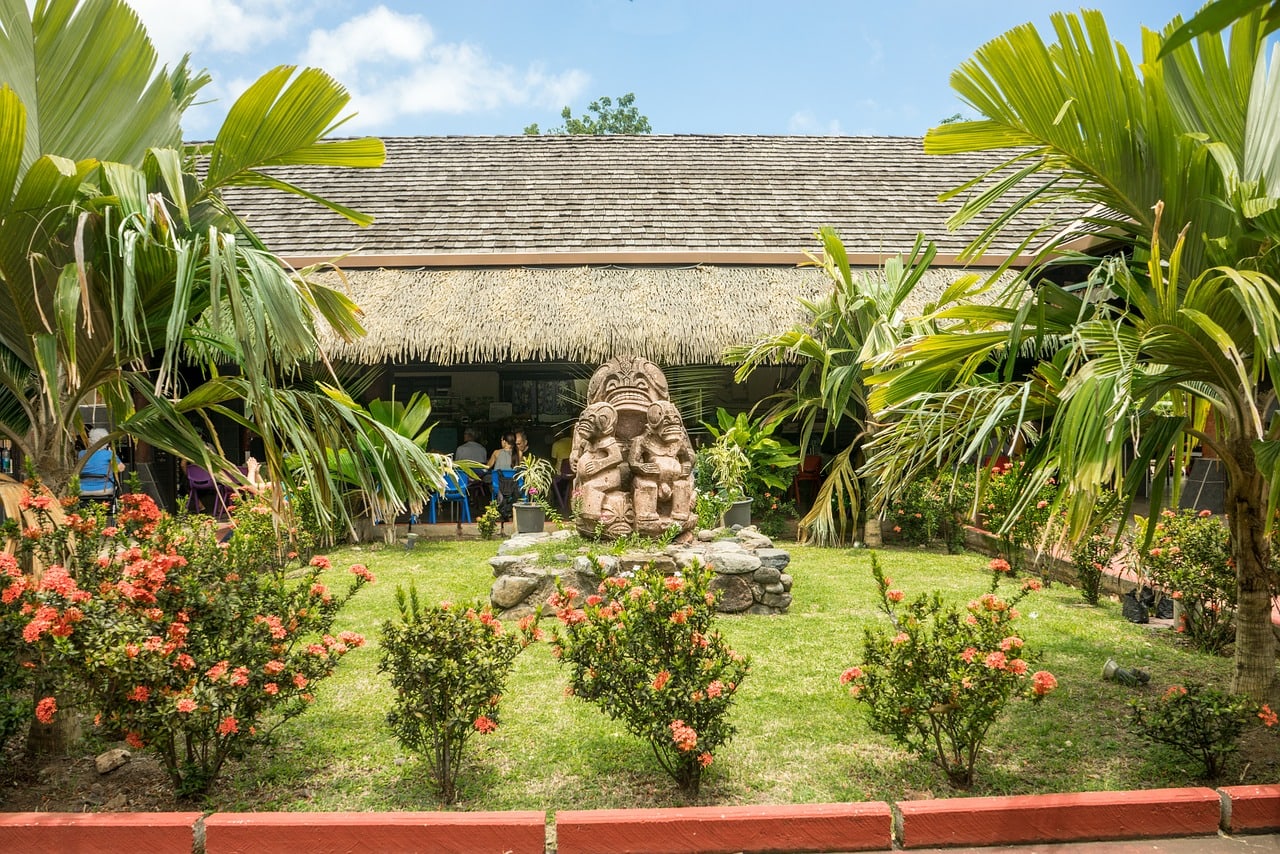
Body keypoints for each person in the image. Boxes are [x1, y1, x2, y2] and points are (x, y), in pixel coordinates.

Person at [78, 426, 123, 506]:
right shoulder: (109, 454)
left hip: (82, 489)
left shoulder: (81, 454)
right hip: (104, 489)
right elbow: (121, 468)